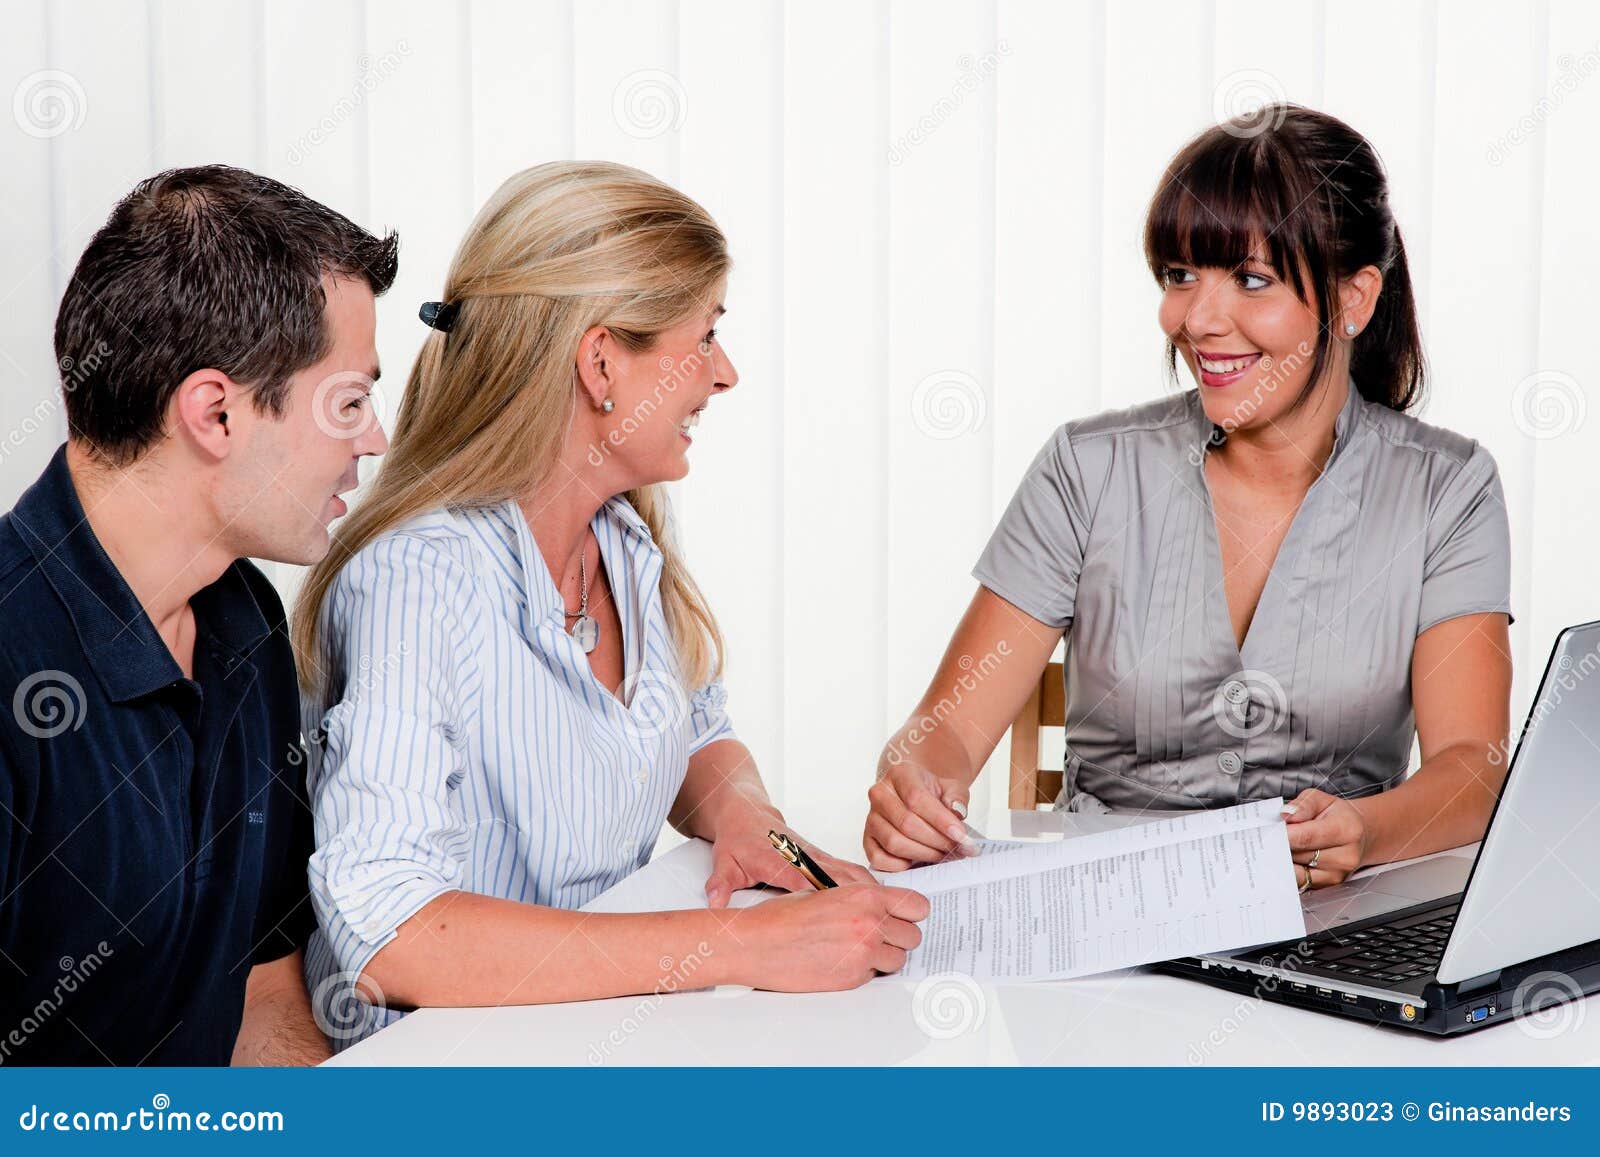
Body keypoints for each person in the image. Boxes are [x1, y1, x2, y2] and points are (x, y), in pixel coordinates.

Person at [294, 161, 927, 1048]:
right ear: (600, 363)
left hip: (601, 1041)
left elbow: (696, 728)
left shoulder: (625, 540)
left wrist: (749, 818)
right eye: (704, 337)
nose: (727, 372)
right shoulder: (419, 579)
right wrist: (739, 944)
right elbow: (391, 929)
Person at [865, 104, 1512, 894]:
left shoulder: (1447, 488)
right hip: (1100, 925)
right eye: (1179, 276)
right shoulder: (1088, 469)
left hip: (1326, 919)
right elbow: (944, 731)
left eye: (1251, 279)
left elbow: (1472, 771)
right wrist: (915, 782)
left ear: (1354, 300)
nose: (1197, 321)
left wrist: (1367, 831)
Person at [0, 165, 395, 1064]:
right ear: (215, 413)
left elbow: (264, 983)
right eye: (350, 400)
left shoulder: (244, 625)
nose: (373, 437)